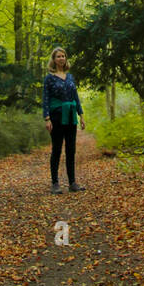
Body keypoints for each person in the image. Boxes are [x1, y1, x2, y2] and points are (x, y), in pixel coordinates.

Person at [42, 47, 86, 193]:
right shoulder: (49, 78)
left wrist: (81, 115)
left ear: (66, 59)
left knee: (71, 150)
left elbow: (75, 96)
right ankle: (55, 183)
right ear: (53, 60)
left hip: (71, 116)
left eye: (63, 56)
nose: (61, 58)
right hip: (56, 116)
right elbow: (45, 98)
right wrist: (47, 118)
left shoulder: (70, 77)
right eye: (58, 56)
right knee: (56, 149)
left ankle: (72, 183)